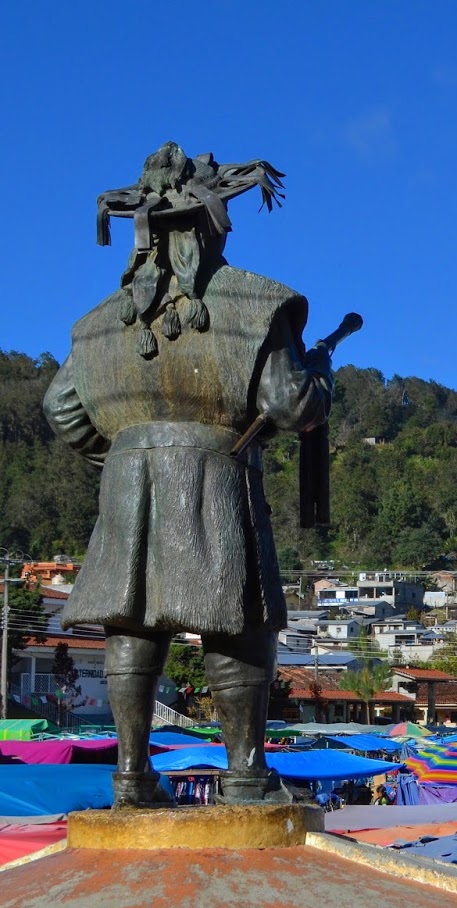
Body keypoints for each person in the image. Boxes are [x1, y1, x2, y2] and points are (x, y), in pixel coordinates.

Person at [44, 143, 333, 808]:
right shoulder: (254, 303)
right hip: (218, 481)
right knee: (238, 624)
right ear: (210, 223)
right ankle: (244, 772)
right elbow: (290, 404)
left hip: (126, 485)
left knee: (133, 627)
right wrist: (324, 379)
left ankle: (130, 773)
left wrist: (122, 457)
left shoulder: (95, 327)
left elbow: (62, 410)